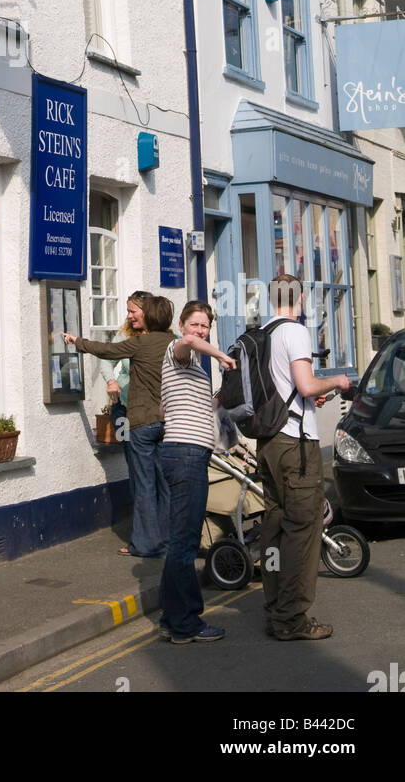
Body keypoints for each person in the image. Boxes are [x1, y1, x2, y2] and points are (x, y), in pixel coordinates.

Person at [257, 275, 353, 642]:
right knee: (303, 530)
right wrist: (338, 382)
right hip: (295, 443)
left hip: (268, 442)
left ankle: (274, 608)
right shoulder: (295, 331)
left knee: (274, 528)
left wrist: (308, 397)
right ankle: (292, 618)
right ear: (300, 299)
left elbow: (284, 388)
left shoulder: (263, 331)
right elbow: (306, 384)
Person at [65, 294, 173, 557]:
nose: (129, 316)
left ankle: (145, 544)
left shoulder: (139, 343)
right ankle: (167, 541)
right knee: (165, 483)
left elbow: (106, 351)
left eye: (134, 311)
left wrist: (76, 341)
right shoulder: (174, 342)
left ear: (148, 314)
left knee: (143, 484)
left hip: (140, 423)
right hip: (166, 422)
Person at [158, 301, 236, 644]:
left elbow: (169, 407)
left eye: (206, 326)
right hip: (185, 455)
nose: (201, 331)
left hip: (190, 453)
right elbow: (187, 344)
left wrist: (220, 398)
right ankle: (185, 623)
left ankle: (170, 617)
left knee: (180, 541)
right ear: (182, 324)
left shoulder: (192, 369)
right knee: (185, 544)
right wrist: (218, 355)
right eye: (196, 324)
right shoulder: (178, 351)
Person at [105, 290, 147, 434]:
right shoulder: (124, 335)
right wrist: (111, 382)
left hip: (154, 413)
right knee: (130, 451)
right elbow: (107, 359)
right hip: (124, 408)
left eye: (133, 311)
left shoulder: (163, 337)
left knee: (146, 454)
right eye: (128, 311)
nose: (129, 316)